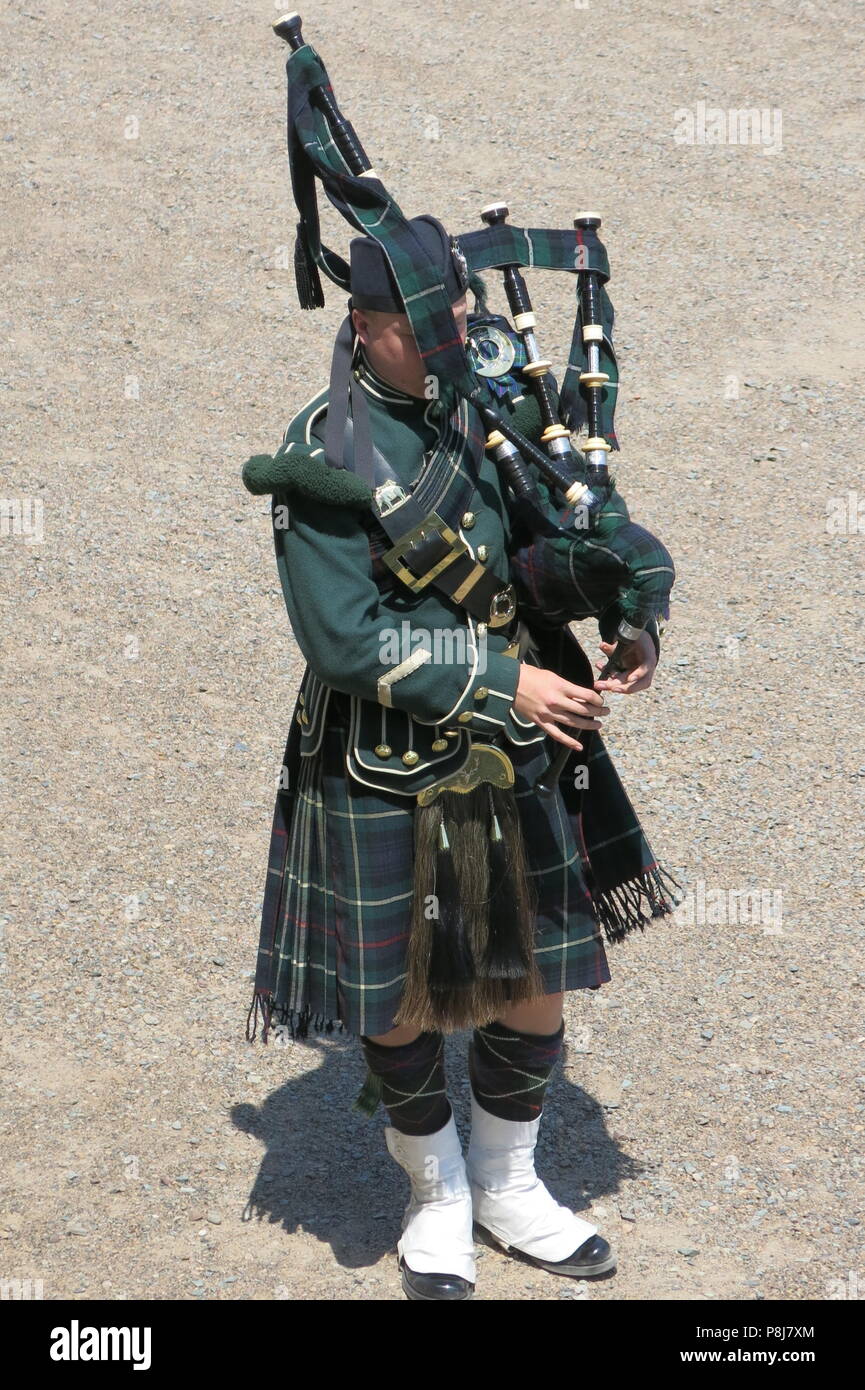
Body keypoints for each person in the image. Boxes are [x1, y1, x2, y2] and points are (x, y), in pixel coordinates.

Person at [243, 214, 668, 1301]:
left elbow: (559, 533)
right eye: (434, 323)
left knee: (532, 972)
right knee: (398, 994)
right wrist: (501, 680)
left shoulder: (478, 406)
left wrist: (631, 610)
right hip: (385, 757)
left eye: (464, 311)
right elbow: (343, 639)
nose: (461, 333)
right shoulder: (322, 454)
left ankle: (511, 1180)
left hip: (515, 744)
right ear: (368, 326)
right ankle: (435, 1194)